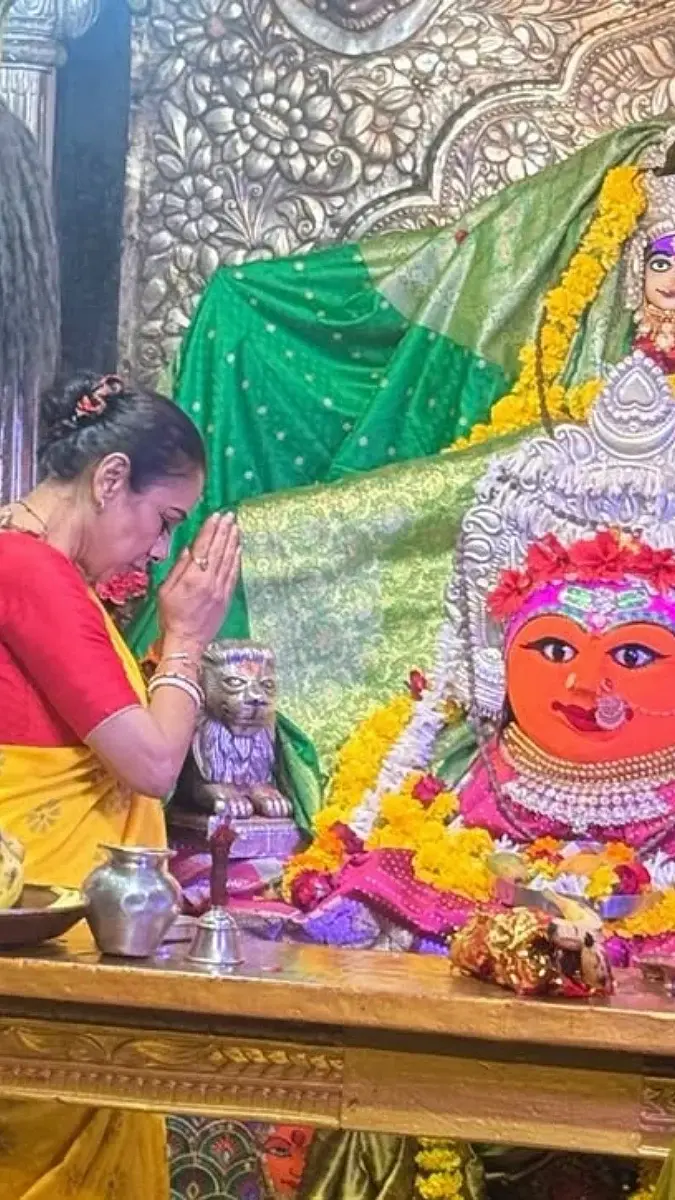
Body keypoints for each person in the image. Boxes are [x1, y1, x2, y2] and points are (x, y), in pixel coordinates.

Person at [0, 369, 240, 1198]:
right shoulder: (28, 570)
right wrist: (185, 640)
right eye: (164, 520)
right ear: (110, 480)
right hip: (40, 939)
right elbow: (149, 763)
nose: (161, 550)